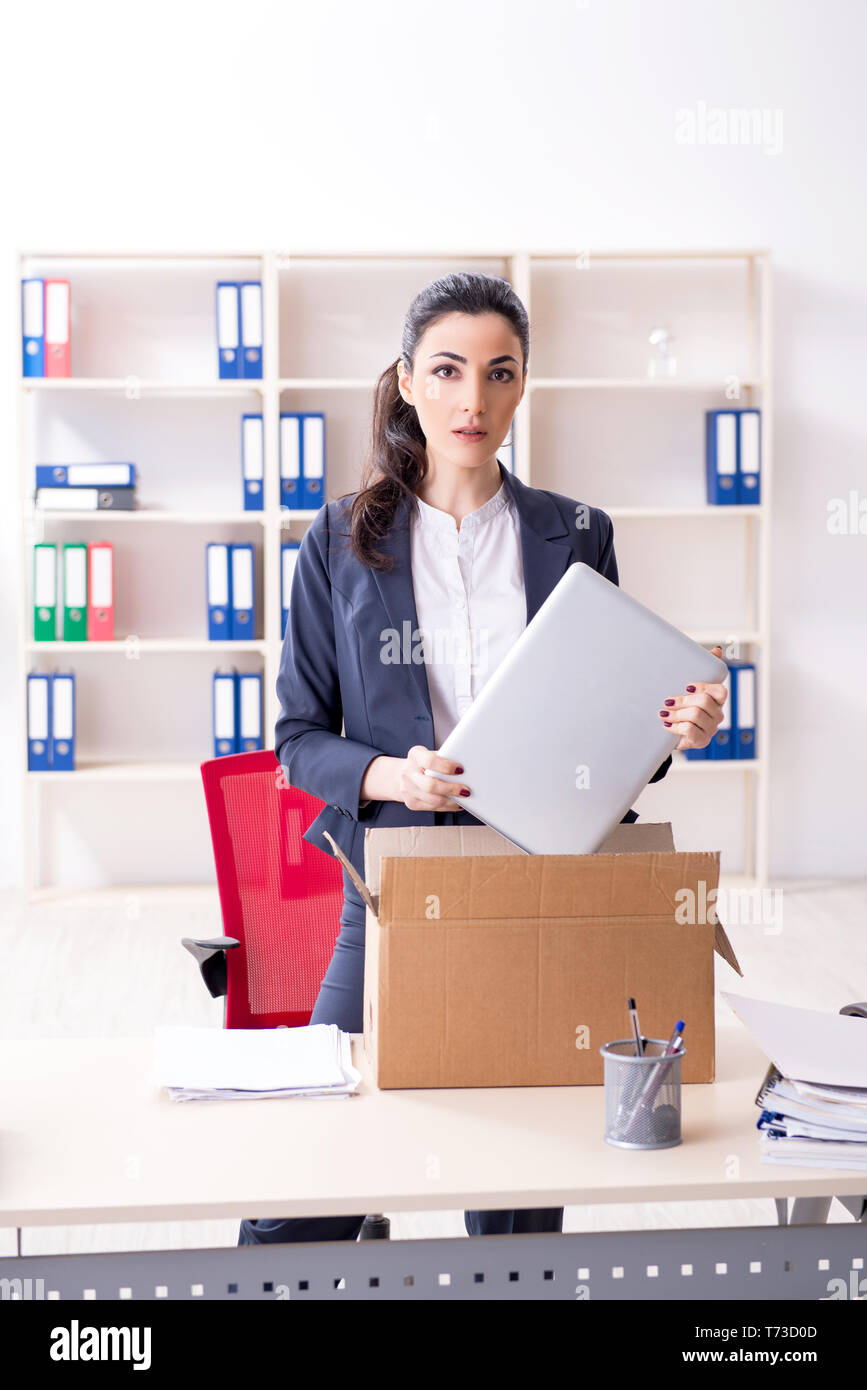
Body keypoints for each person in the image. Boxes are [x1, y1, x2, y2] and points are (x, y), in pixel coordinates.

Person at [238, 270, 727, 1246]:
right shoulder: (338, 540)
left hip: (538, 882)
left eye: (499, 374)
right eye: (450, 370)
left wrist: (674, 728)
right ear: (409, 380)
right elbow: (299, 741)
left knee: (515, 1200)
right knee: (302, 1191)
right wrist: (396, 776)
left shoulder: (577, 534)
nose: (475, 400)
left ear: (522, 386)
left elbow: (615, 740)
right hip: (393, 886)